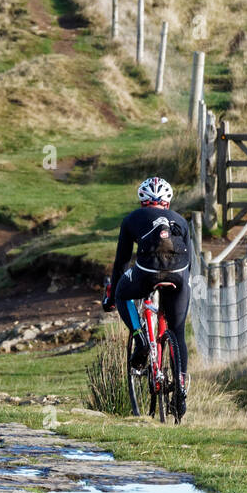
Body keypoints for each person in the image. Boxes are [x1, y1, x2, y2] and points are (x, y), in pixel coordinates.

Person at [101, 176, 191, 413]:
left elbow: (121, 262)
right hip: (179, 275)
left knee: (122, 294)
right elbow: (189, 262)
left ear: (142, 202)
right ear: (167, 203)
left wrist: (110, 298)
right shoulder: (181, 220)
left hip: (147, 271)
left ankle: (140, 338)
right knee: (178, 333)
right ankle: (180, 389)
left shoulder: (132, 219)